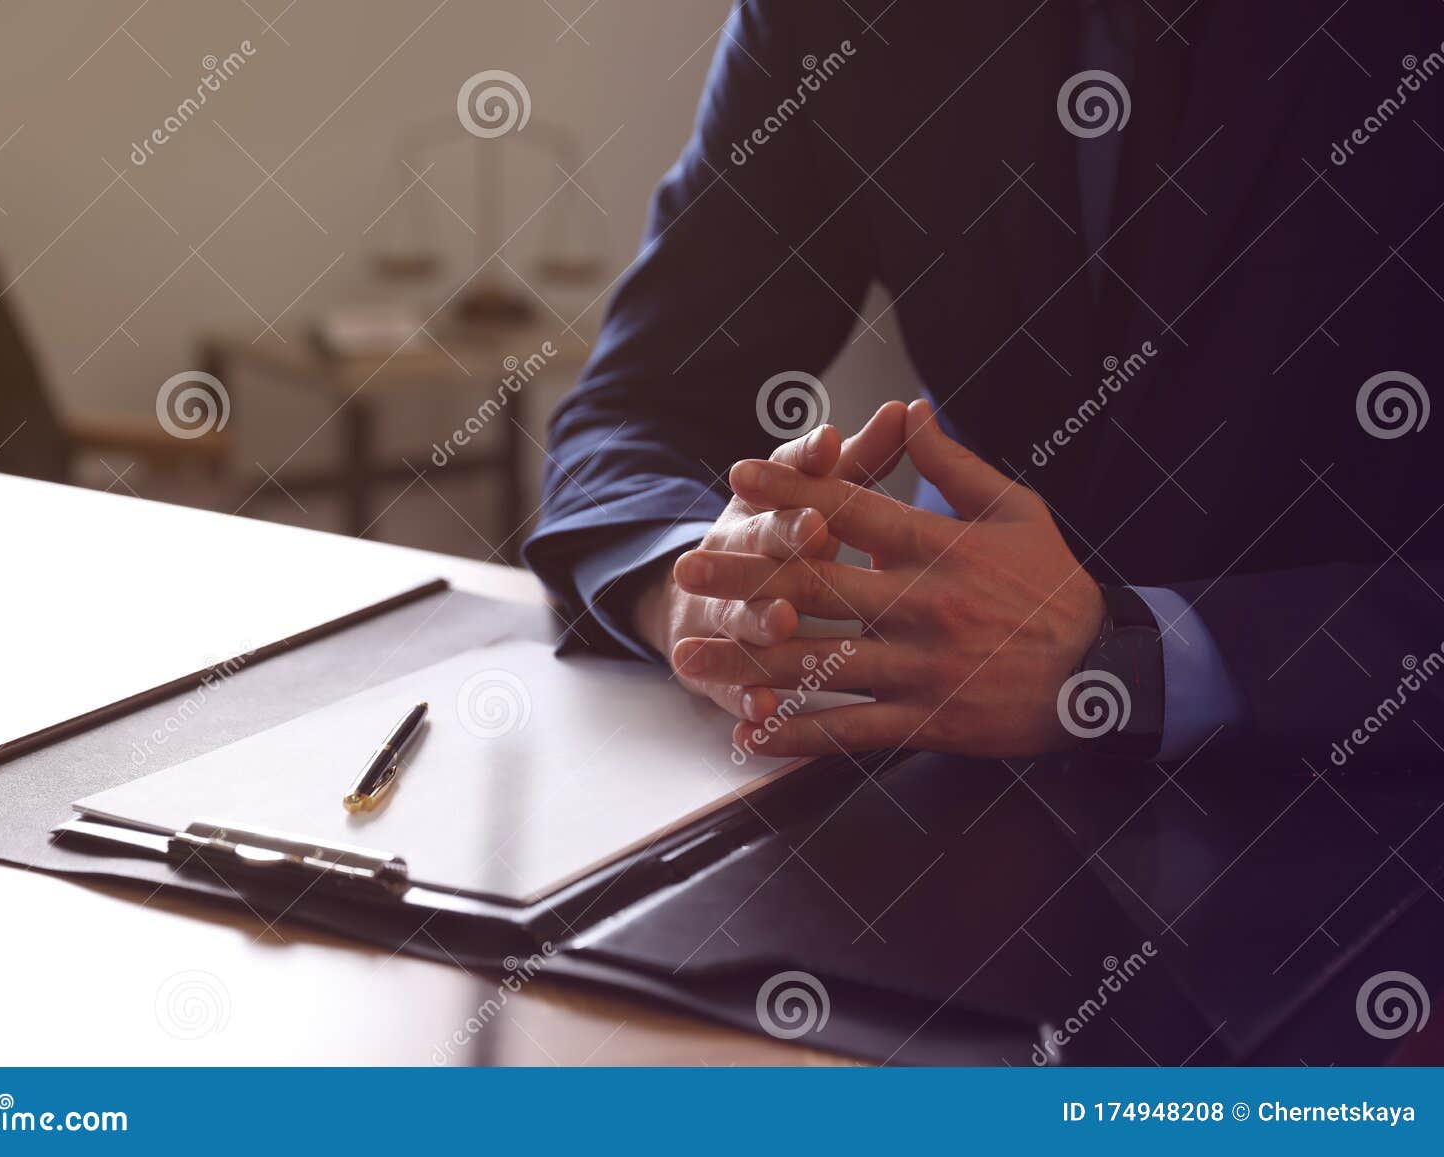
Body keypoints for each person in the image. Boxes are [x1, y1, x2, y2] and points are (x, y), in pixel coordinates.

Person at [524, 1, 1444, 770]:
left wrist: (1133, 659)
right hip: (939, 777)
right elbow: (634, 413)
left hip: (1365, 806)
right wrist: (697, 588)